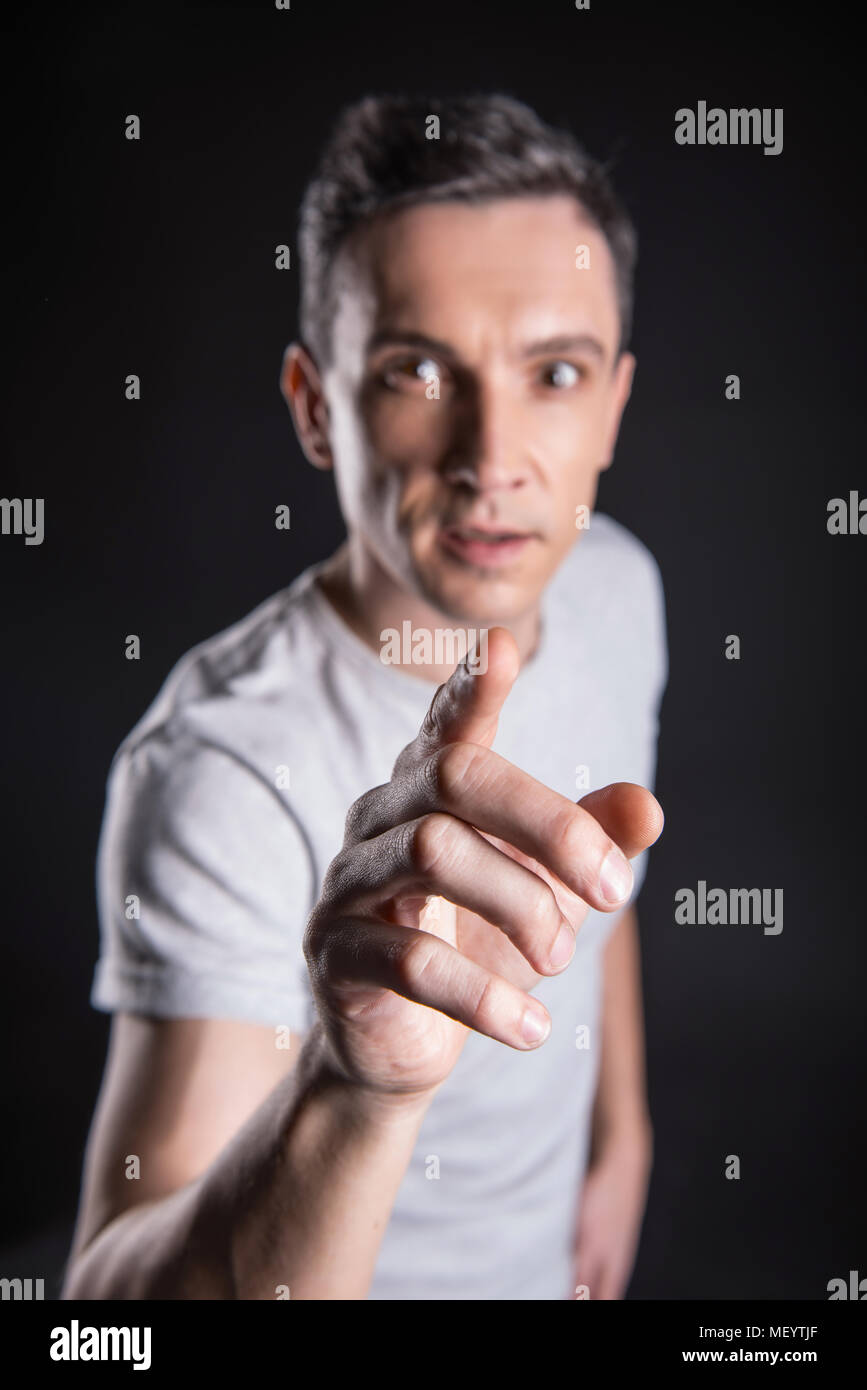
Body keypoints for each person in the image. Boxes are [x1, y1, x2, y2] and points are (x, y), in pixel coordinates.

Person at [61, 91, 668, 1301]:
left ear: (612, 402)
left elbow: (605, 898)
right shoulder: (224, 766)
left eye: (555, 371)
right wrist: (355, 1078)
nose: (492, 455)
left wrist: (622, 1134)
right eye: (416, 371)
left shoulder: (617, 590)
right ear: (314, 408)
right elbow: (95, 1322)